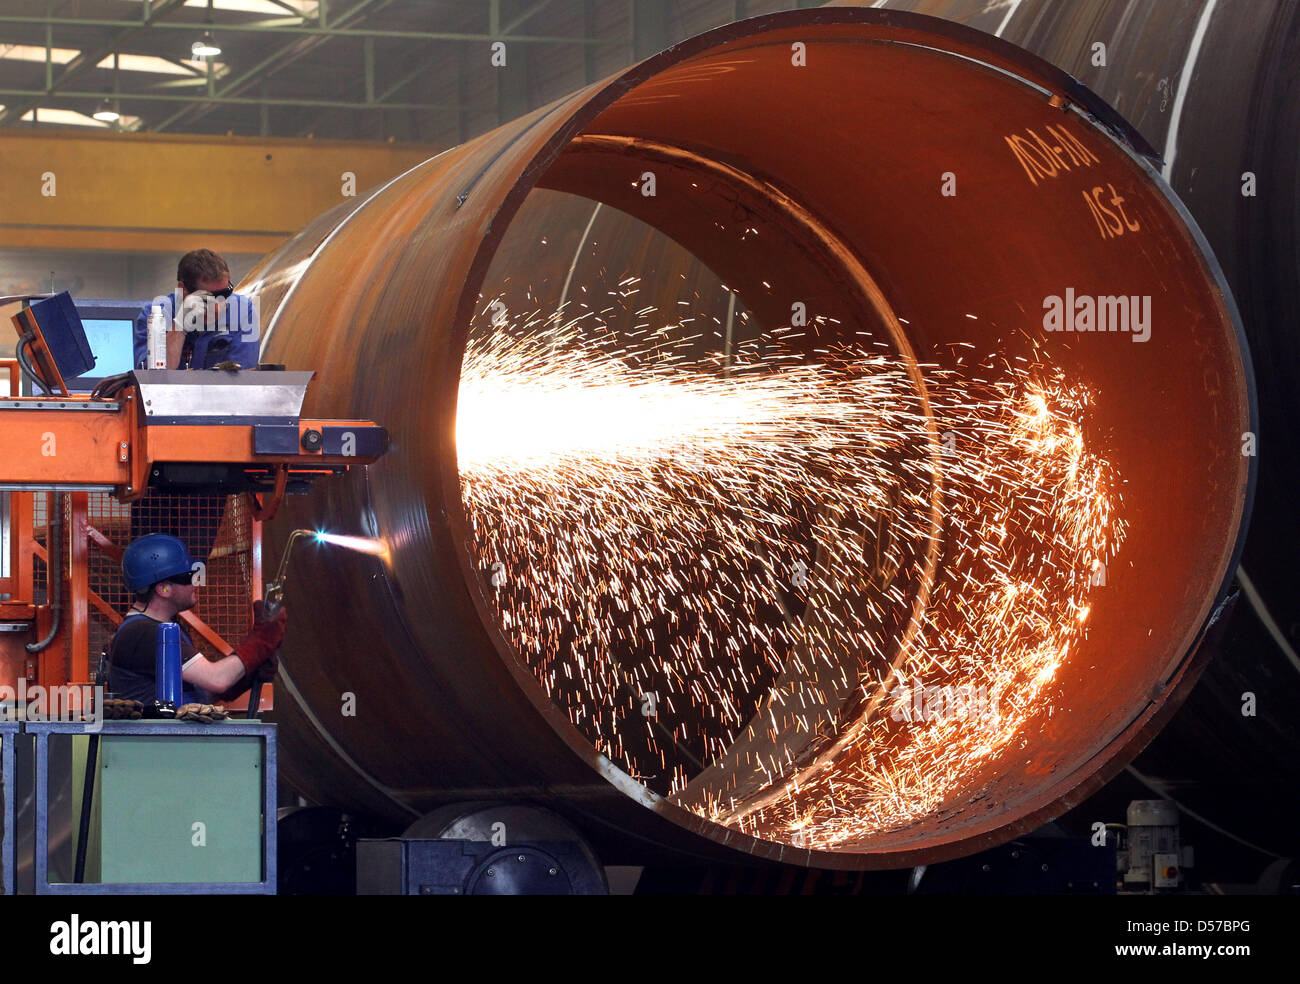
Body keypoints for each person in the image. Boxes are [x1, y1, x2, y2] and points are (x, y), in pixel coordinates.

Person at [108, 533, 285, 706]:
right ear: (163, 589)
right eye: (188, 577)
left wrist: (245, 675)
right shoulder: (143, 633)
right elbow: (216, 679)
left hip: (172, 734)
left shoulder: (162, 629)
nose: (196, 583)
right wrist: (262, 639)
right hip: (159, 736)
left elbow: (201, 689)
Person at [132, 248, 260, 371]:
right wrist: (179, 326)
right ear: (183, 290)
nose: (216, 306)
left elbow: (243, 380)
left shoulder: (242, 311)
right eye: (206, 298)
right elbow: (153, 379)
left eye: (224, 294)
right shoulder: (156, 315)